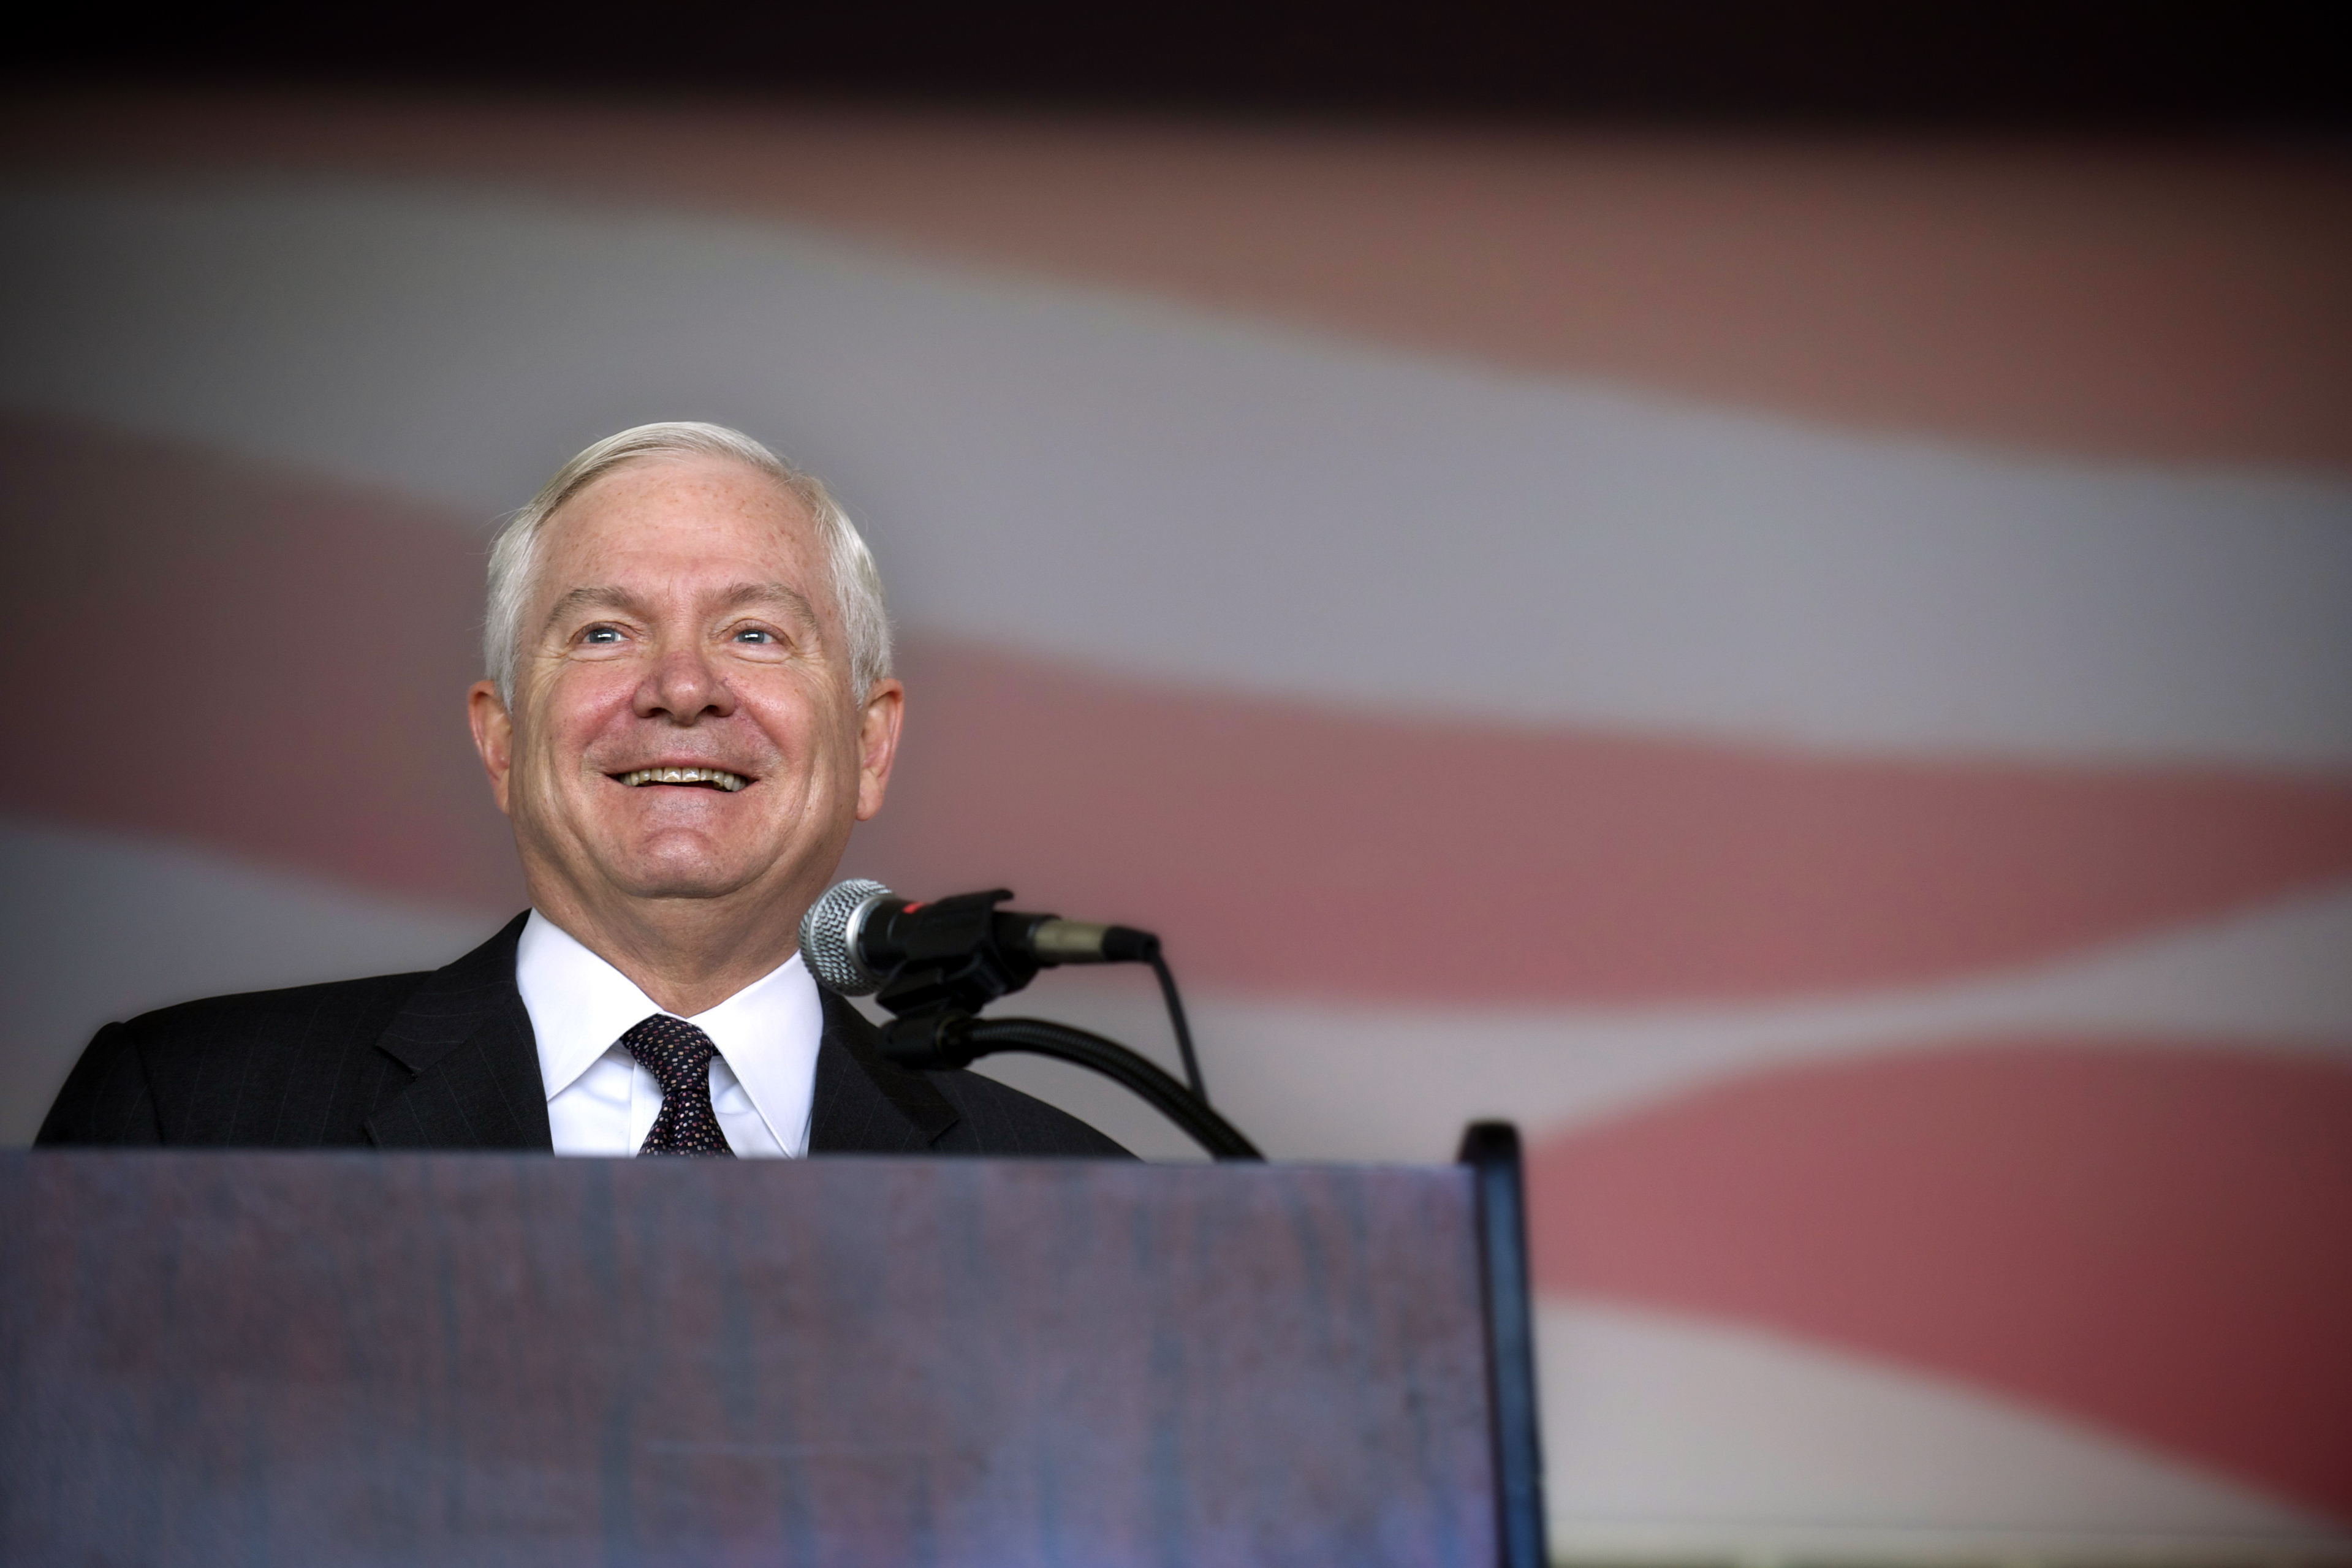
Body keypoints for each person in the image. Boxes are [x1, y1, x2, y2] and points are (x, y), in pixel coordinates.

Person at [38, 422, 1126, 1157]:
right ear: (501, 738)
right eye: (605, 631)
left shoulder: (1065, 1194)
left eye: (755, 633)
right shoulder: (188, 1114)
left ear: (870, 744)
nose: (684, 688)